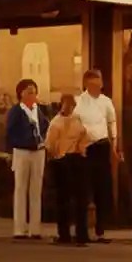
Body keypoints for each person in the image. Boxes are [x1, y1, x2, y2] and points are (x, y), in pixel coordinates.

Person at [74, 69, 118, 243]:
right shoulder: (79, 102)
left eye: (99, 82)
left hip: (102, 147)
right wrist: (78, 144)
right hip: (85, 148)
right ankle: (82, 231)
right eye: (93, 83)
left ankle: (101, 230)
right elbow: (74, 124)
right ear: (86, 84)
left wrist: (114, 146)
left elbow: (111, 123)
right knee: (84, 190)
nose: (97, 86)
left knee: (102, 189)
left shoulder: (106, 102)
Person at [44, 93, 91, 246]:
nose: (69, 107)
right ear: (61, 105)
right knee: (63, 199)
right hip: (61, 161)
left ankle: (81, 234)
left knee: (81, 199)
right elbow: (49, 144)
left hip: (76, 159)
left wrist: (81, 148)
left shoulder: (77, 120)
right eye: (67, 104)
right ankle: (63, 233)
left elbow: (84, 136)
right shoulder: (55, 123)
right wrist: (57, 155)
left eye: (72, 105)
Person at [5, 78, 49, 240]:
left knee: (36, 189)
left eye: (34, 91)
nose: (32, 94)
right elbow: (10, 132)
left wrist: (43, 142)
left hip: (38, 152)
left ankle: (35, 228)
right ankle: (19, 228)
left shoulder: (40, 110)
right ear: (20, 94)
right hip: (22, 152)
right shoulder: (16, 111)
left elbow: (46, 128)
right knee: (21, 188)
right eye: (28, 91)